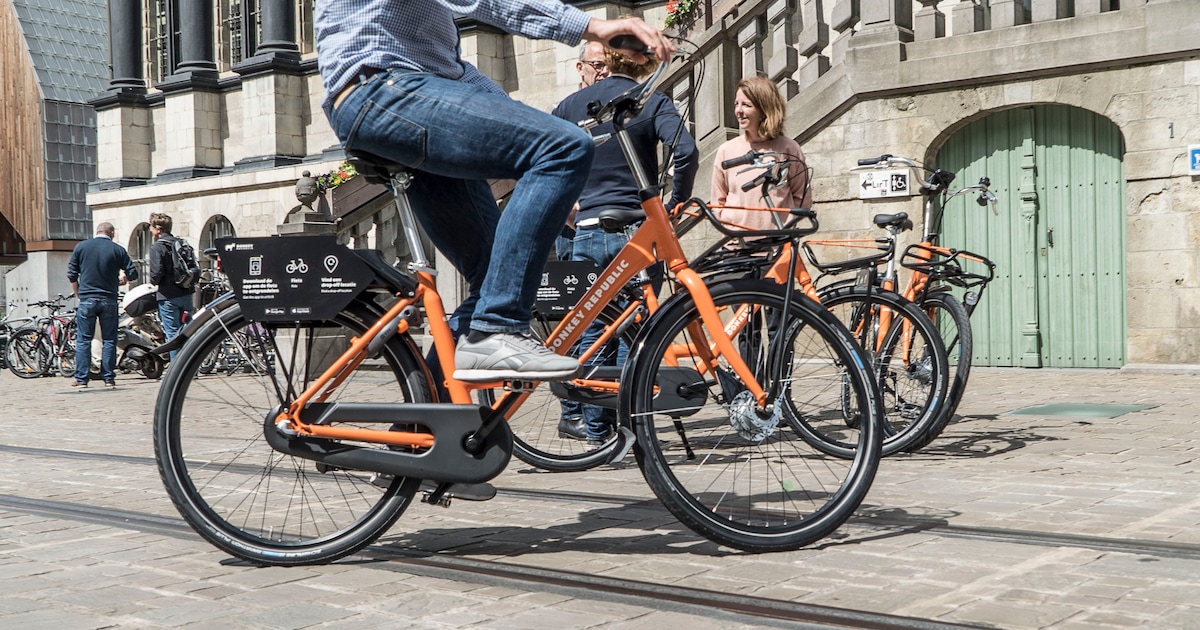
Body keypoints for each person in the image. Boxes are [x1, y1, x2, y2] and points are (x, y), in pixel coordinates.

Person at [315, 1, 672, 384]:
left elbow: (453, 75)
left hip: (400, 95)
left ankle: (426, 436)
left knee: (491, 275)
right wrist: (593, 26)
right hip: (384, 90)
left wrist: (527, 137)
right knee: (565, 147)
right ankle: (497, 329)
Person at [550, 47, 699, 444]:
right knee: (636, 328)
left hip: (586, 228)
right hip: (635, 228)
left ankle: (597, 433)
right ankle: (624, 426)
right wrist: (674, 204)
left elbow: (540, 159)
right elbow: (684, 151)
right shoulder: (648, 100)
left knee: (594, 327)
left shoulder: (569, 106)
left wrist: (565, 204)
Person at [711, 76, 813, 229]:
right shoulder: (726, 150)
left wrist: (784, 226)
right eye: (736, 104)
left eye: (746, 105)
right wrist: (730, 228)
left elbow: (803, 198)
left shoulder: (789, 149)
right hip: (736, 244)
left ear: (764, 110)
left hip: (777, 244)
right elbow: (717, 202)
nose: (738, 111)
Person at [556, 40, 613, 261]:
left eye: (609, 65)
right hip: (573, 223)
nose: (605, 71)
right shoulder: (565, 110)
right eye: (598, 65)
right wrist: (568, 207)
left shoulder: (620, 108)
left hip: (615, 217)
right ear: (580, 68)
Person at [66, 222, 139, 388]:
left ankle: (82, 378)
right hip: (108, 299)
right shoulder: (117, 249)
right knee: (109, 339)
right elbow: (133, 273)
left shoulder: (81, 247)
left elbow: (71, 274)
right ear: (111, 233)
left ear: (97, 231)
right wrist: (123, 279)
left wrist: (78, 293)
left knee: (84, 339)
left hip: (87, 299)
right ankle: (108, 377)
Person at [147, 212, 196, 362]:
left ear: (158, 229)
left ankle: (177, 369)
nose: (150, 230)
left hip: (168, 296)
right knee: (187, 331)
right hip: (186, 292)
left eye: (151, 227)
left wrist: (152, 283)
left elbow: (156, 273)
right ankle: (191, 367)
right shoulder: (180, 243)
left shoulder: (157, 247)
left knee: (173, 334)